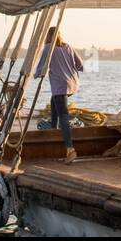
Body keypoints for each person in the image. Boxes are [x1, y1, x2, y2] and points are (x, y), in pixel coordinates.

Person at [34, 27, 83, 164]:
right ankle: (53, 128)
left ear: (48, 36)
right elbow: (80, 65)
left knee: (64, 117)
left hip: (60, 86)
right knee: (54, 99)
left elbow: (41, 66)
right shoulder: (68, 47)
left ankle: (70, 149)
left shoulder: (48, 48)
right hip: (72, 83)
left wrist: (36, 75)